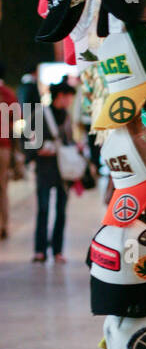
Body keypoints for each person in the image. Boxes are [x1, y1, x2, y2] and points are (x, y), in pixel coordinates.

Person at [27, 79, 78, 263]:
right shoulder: (40, 114)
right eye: (69, 97)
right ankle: (40, 250)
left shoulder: (66, 116)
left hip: (64, 170)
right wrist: (37, 150)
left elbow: (69, 140)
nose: (70, 101)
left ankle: (57, 250)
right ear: (60, 96)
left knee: (61, 210)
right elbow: (27, 139)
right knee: (43, 208)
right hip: (45, 168)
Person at [0, 62, 18, 241]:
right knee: (3, 187)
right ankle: (4, 226)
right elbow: (18, 117)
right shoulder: (8, 93)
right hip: (3, 146)